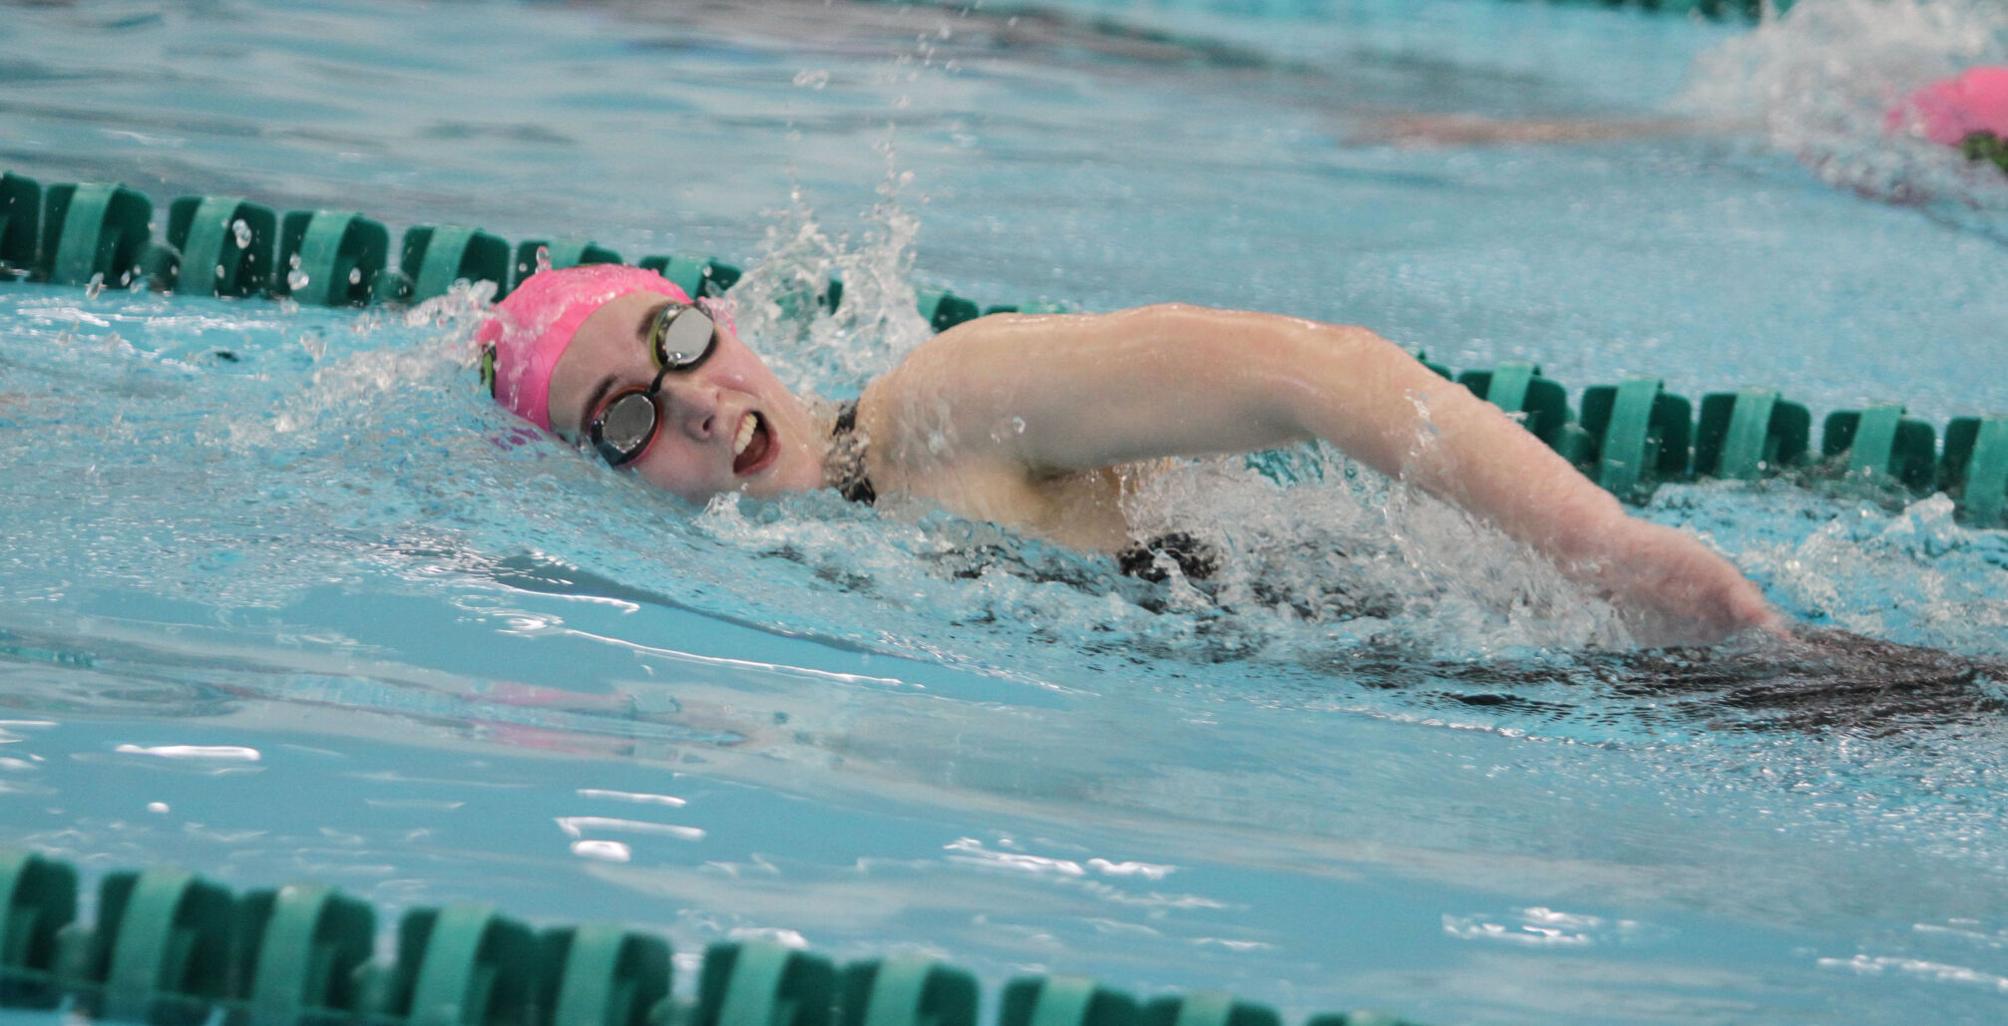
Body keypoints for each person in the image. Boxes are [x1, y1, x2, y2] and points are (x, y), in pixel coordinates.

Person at [477, 264, 1782, 646]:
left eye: (678, 338)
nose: (695, 402)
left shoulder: (944, 402)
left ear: (725, 308)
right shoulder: (811, 564)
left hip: (1577, 645)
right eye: (627, 420)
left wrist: (1603, 547)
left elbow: (1317, 370)